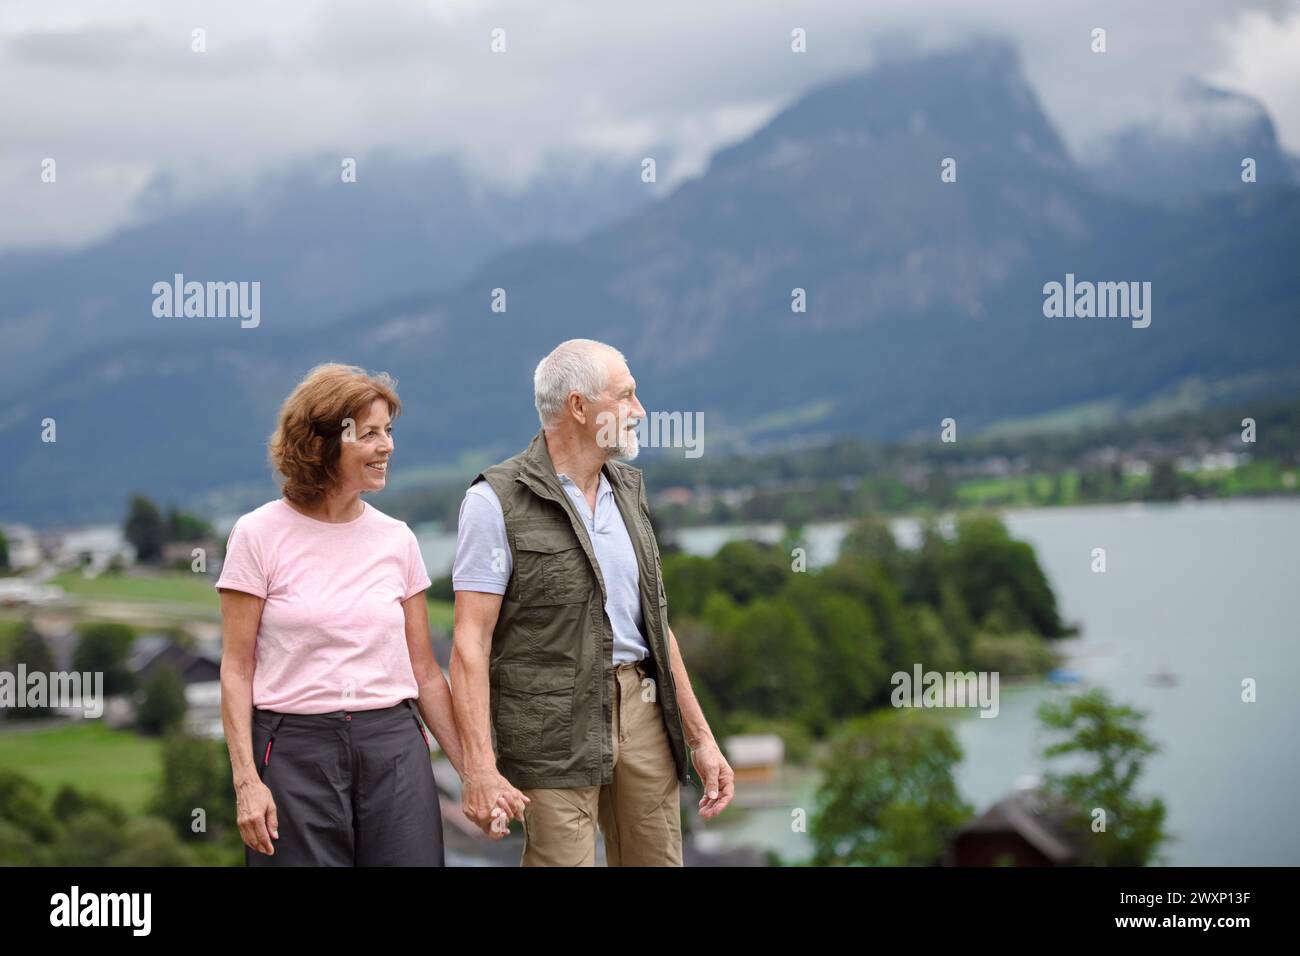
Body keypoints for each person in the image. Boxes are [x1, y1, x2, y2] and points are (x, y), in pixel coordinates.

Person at [451, 338, 735, 866]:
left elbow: (656, 625)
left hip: (644, 708)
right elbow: (470, 642)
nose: (640, 411)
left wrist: (702, 739)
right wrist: (480, 768)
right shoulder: (494, 501)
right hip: (549, 726)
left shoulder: (627, 490)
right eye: (625, 396)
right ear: (579, 407)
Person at [217, 363, 497, 865]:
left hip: (394, 748)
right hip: (294, 754)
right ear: (322, 444)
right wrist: (246, 782)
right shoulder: (257, 535)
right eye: (369, 434)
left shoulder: (397, 540)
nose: (387, 446)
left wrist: (474, 775)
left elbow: (426, 675)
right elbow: (237, 670)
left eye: (388, 431)